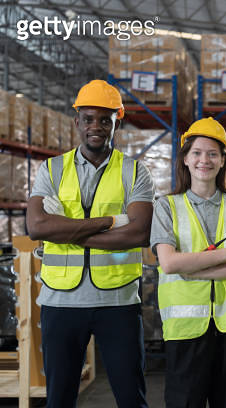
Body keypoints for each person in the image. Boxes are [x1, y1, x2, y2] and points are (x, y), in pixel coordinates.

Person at [26, 79, 153, 408]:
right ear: (77, 121)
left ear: (116, 123)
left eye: (104, 119)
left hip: (118, 302)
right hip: (60, 302)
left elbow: (138, 234)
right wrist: (109, 221)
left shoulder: (134, 172)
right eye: (89, 118)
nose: (96, 126)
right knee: (59, 399)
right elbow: (37, 226)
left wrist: (69, 232)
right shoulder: (52, 169)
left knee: (131, 398)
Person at [150, 117, 226, 408]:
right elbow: (170, 263)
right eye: (197, 152)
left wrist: (195, 268)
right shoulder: (166, 206)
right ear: (185, 159)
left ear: (223, 160)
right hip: (185, 331)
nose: (204, 160)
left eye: (213, 154)